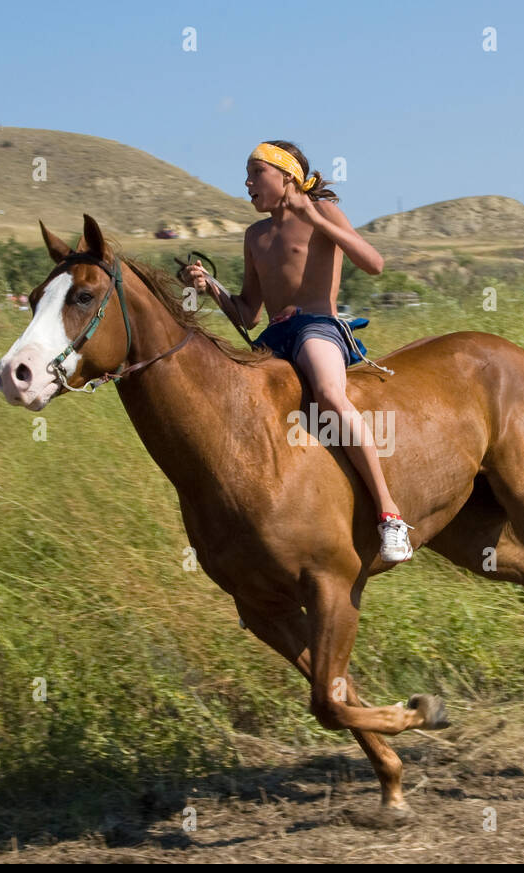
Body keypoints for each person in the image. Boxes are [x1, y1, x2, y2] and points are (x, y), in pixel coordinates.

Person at [180, 140, 414, 563]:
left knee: (328, 394)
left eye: (256, 174)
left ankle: (390, 515)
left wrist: (315, 218)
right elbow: (249, 314)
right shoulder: (255, 236)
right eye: (248, 175)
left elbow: (374, 264)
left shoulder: (323, 213)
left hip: (318, 326)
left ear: (286, 175)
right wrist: (209, 287)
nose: (247, 183)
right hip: (274, 334)